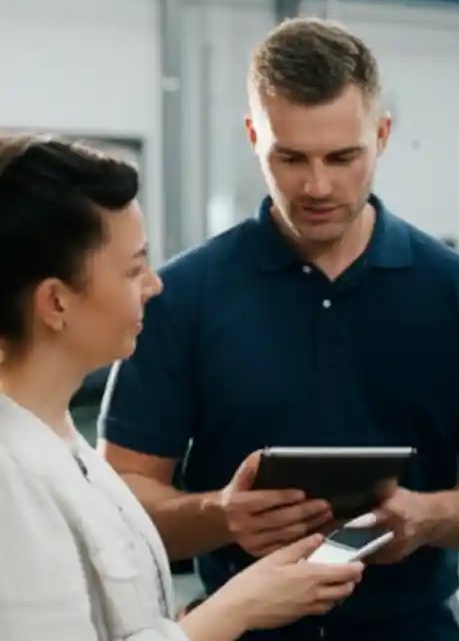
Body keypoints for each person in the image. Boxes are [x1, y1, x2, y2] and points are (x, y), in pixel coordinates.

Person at [97, 17, 459, 641]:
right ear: (254, 136)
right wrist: (222, 515)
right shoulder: (180, 297)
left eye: (343, 157)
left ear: (382, 135)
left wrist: (428, 516)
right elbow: (121, 497)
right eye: (291, 157)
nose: (318, 186)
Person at [0, 135, 365, 640]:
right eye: (133, 270)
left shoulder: (59, 441)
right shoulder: (11, 475)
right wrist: (235, 609)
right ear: (56, 302)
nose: (154, 285)